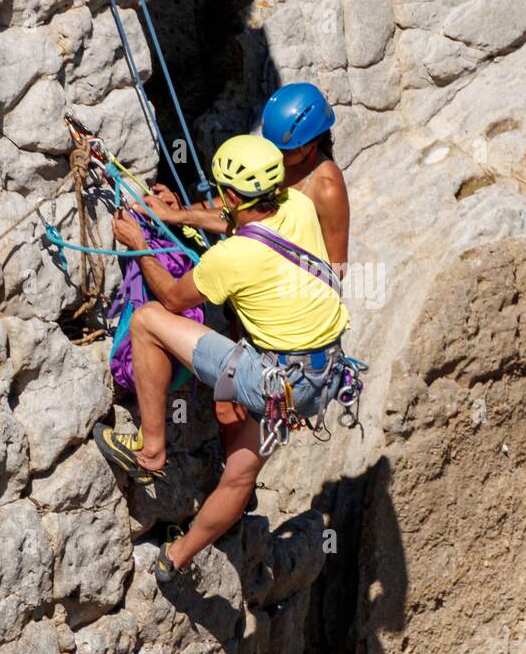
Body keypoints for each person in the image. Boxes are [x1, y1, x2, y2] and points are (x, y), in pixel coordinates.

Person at [93, 134, 351, 585]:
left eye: (222, 192)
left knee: (149, 321)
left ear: (232, 195)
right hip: (319, 375)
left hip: (271, 378)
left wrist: (138, 240)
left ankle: (150, 449)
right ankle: (175, 557)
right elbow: (235, 221)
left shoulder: (234, 257)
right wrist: (176, 213)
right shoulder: (297, 205)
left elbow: (173, 297)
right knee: (239, 476)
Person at [140, 83, 350, 269]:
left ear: (311, 145)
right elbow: (240, 207)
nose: (275, 152)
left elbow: (337, 266)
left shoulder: (327, 188)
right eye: (272, 144)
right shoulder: (282, 162)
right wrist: (181, 210)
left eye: (284, 149)